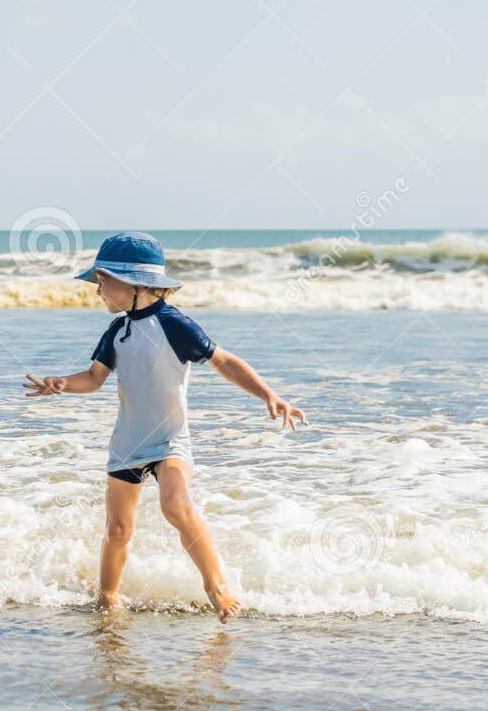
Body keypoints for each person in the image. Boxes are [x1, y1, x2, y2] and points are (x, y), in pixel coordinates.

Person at [23, 232, 306, 621]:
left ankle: (217, 586)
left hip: (171, 439)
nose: (98, 290)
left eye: (104, 281)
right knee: (118, 530)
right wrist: (61, 384)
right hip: (126, 442)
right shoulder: (116, 331)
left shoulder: (175, 325)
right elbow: (93, 378)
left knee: (175, 505)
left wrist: (269, 395)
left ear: (137, 284)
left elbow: (224, 361)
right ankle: (108, 599)